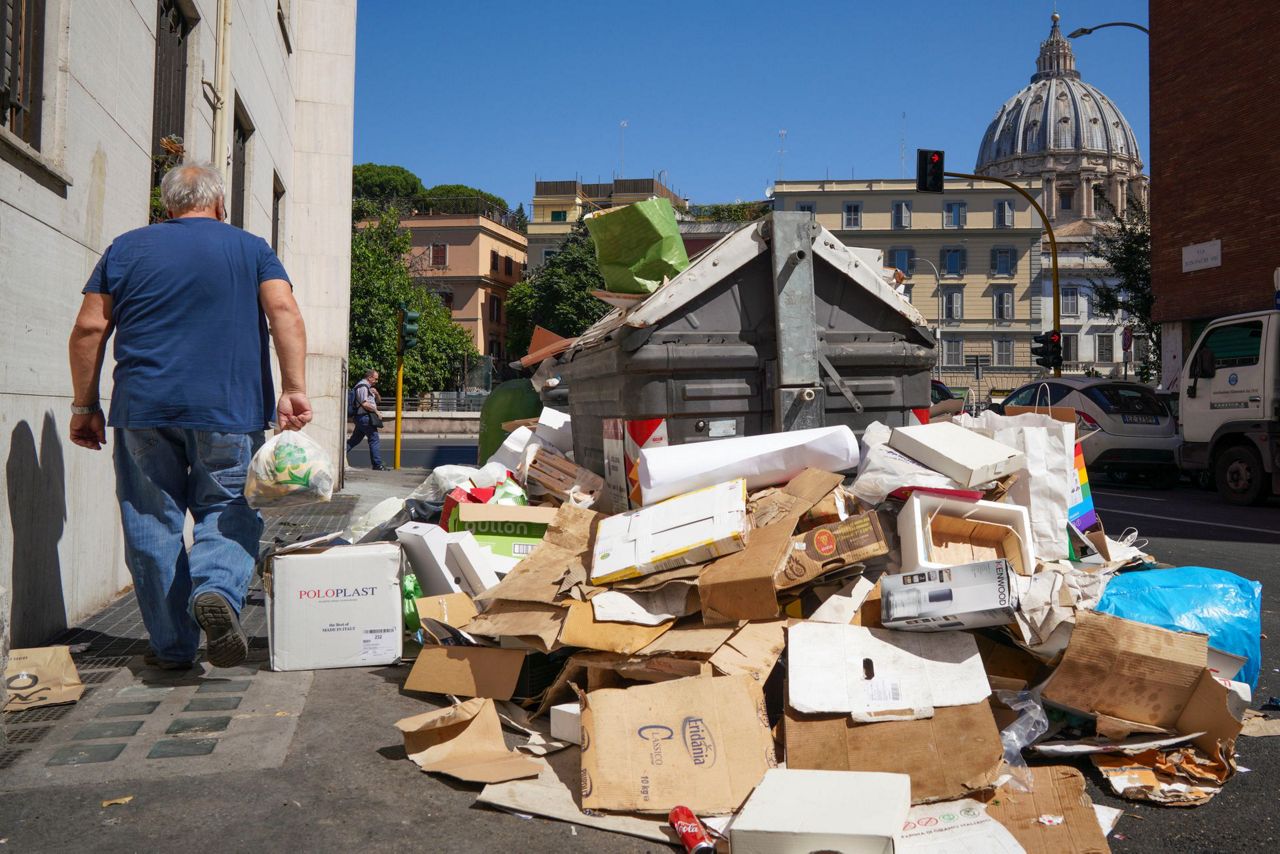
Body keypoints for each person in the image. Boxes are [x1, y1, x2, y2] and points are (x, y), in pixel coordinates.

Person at [67, 162, 311, 670]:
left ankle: (174, 647)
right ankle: (219, 590)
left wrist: (85, 405)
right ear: (219, 205)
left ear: (168, 207)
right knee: (228, 506)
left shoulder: (126, 249)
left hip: (143, 408)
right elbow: (284, 312)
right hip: (230, 408)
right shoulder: (251, 249)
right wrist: (292, 389)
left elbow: (90, 328)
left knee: (151, 520)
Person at [346, 369, 387, 470]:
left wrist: (376, 394)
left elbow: (378, 401)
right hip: (364, 417)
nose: (376, 381)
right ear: (370, 377)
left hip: (364, 417)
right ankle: (377, 464)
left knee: (354, 441)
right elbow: (364, 404)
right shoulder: (362, 387)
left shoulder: (368, 388)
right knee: (374, 439)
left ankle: (337, 454)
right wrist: (376, 412)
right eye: (375, 379)